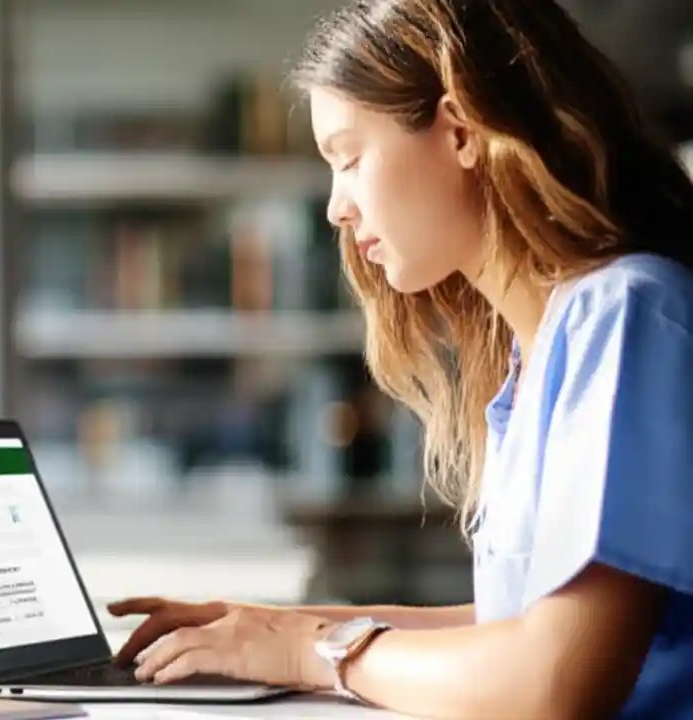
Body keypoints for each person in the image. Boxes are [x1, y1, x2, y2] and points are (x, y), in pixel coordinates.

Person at [108, 1, 693, 717]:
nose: (336, 208)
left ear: (460, 129)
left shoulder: (626, 313)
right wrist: (274, 628)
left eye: (349, 159)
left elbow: (551, 681)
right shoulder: (539, 347)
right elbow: (516, 630)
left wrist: (306, 655)